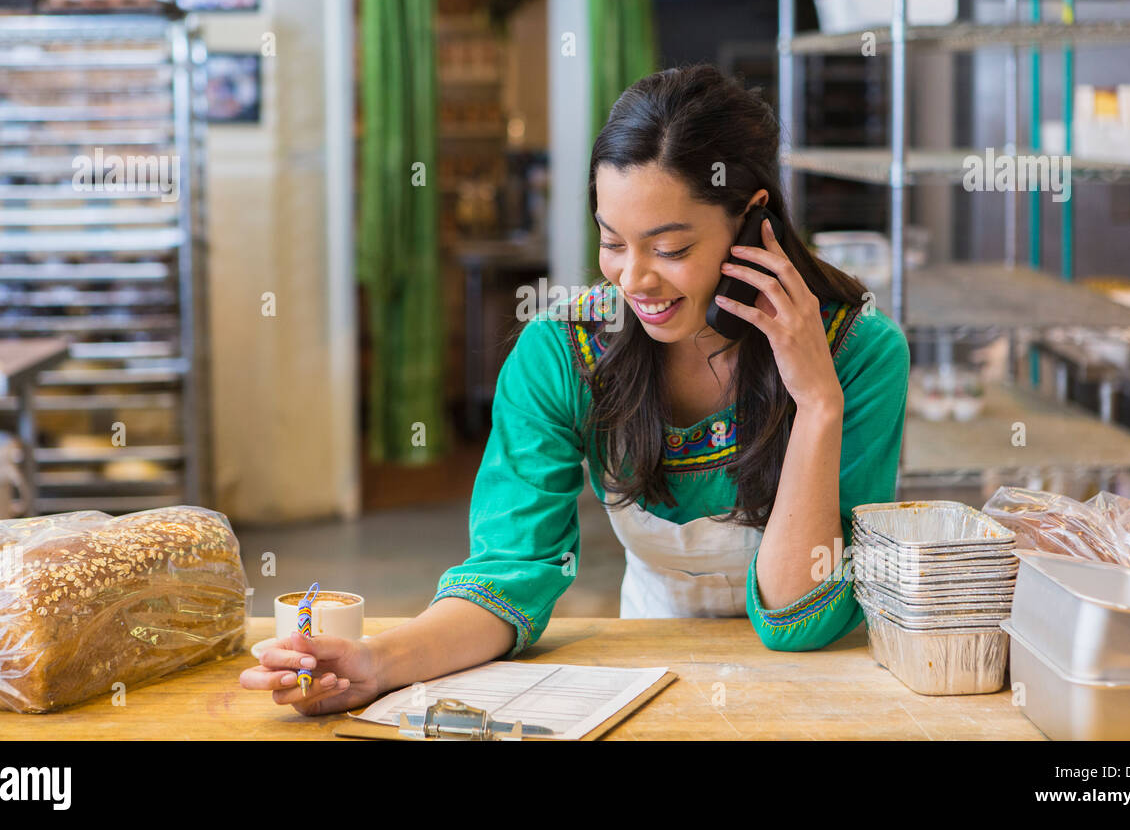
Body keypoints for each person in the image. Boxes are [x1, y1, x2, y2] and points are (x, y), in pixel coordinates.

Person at [240, 63, 910, 715]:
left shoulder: (857, 353)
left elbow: (800, 620)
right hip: (655, 664)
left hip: (822, 699)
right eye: (611, 240)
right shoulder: (562, 353)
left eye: (670, 249)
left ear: (752, 218)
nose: (634, 280)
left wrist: (819, 404)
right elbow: (510, 577)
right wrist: (376, 663)